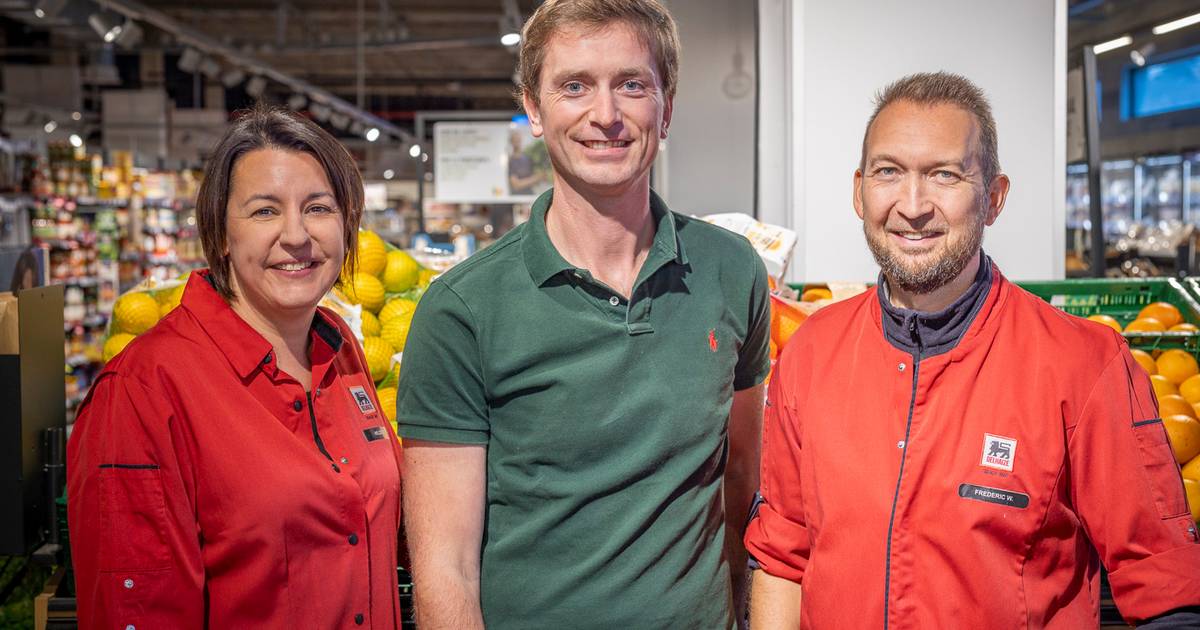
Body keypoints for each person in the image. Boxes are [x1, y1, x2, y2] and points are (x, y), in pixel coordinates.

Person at [744, 72, 1200, 628]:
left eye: (945, 175)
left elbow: (1165, 588)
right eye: (889, 172)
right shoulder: (811, 352)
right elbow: (782, 558)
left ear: (994, 198)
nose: (912, 206)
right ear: (859, 192)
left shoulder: (1084, 364)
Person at [396, 0, 770, 628]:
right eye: (575, 86)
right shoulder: (462, 309)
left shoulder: (733, 272)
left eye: (632, 85)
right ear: (535, 110)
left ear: (667, 107)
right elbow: (446, 571)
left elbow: (740, 477)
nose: (606, 115)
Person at [66, 106, 404, 629]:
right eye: (265, 211)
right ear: (221, 233)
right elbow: (135, 612)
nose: (297, 235)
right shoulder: (143, 389)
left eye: (318, 208)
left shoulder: (343, 352)